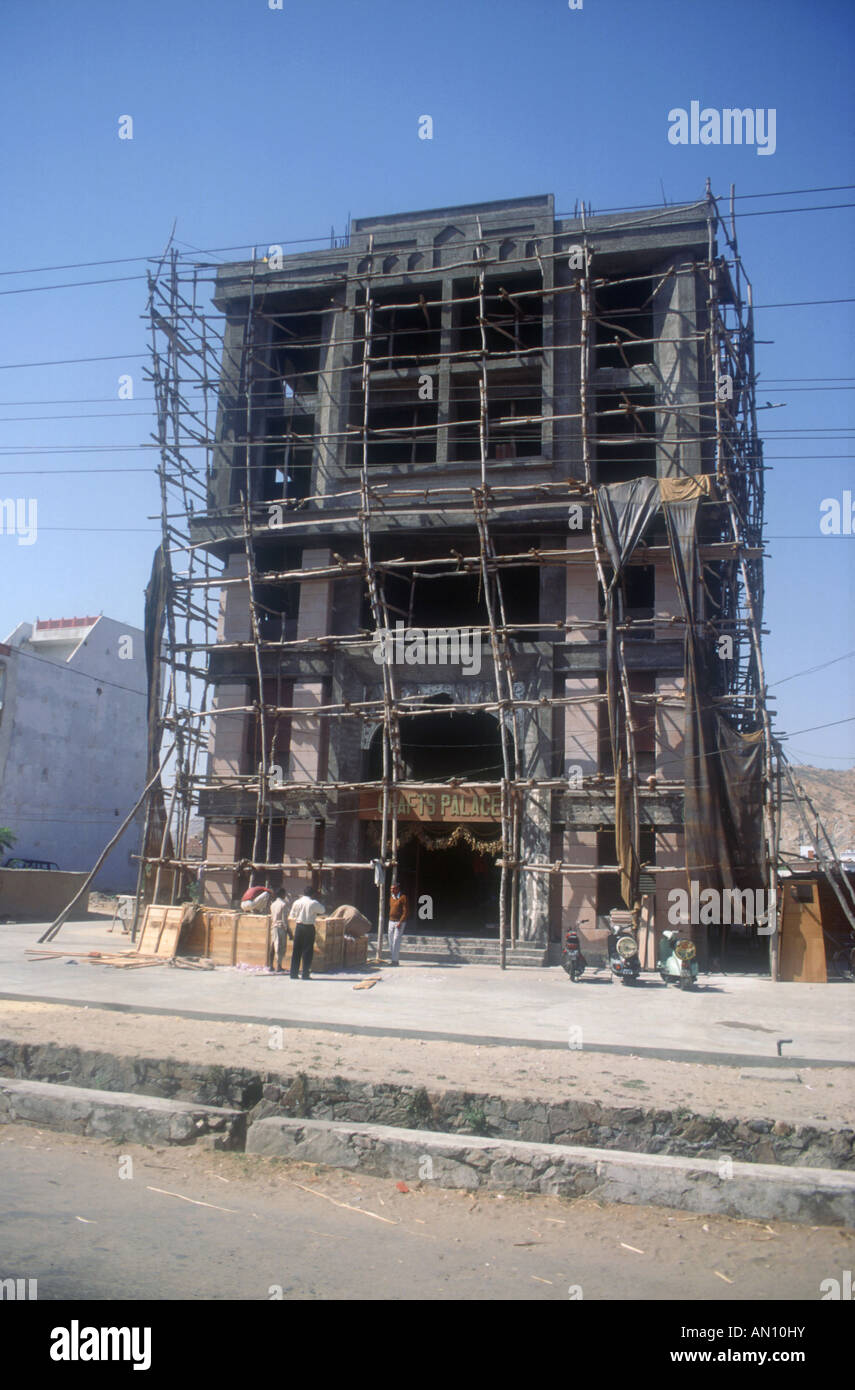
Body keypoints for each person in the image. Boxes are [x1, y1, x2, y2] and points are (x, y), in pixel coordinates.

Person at [288, 888, 325, 979]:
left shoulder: (297, 902)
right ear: (312, 894)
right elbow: (322, 910)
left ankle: (293, 973)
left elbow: (292, 915)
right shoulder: (313, 903)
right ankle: (305, 974)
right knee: (307, 951)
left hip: (299, 927)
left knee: (296, 950)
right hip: (309, 927)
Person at [269, 888, 293, 972]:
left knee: (273, 945)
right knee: (280, 947)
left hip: (273, 927)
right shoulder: (283, 904)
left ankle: (271, 965)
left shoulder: (273, 904)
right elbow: (284, 920)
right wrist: (289, 932)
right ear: (282, 894)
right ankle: (279, 966)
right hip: (280, 928)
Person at [387, 883, 408, 966]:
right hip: (391, 921)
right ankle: (393, 959)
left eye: (393, 888)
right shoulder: (391, 898)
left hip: (399, 922)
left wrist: (401, 921)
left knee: (396, 940)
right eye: (391, 888)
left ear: (398, 889)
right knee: (390, 940)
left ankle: (395, 961)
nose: (392, 890)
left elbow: (405, 911)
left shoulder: (403, 897)